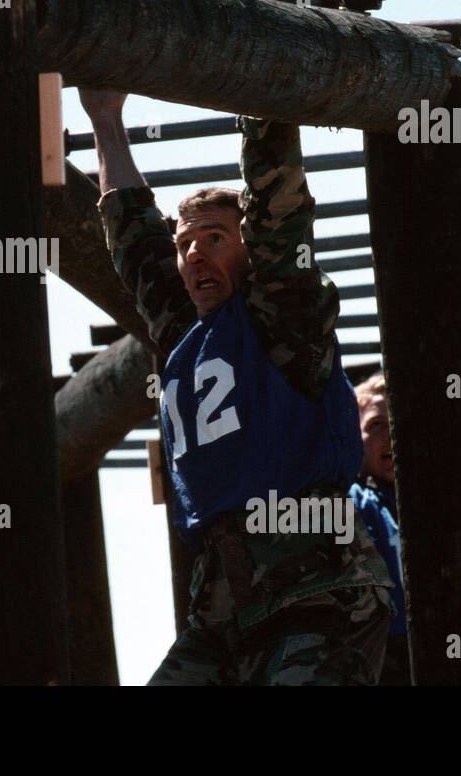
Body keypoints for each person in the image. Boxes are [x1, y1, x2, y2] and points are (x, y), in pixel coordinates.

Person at [80, 89, 394, 685]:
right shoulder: (187, 336)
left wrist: (255, 83)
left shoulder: (283, 315)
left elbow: (279, 206)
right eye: (186, 245)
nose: (195, 254)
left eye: (216, 239)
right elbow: (134, 239)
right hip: (225, 604)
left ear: (252, 251)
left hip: (319, 594)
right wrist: (105, 116)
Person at [348, 372, 408, 685]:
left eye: (396, 420)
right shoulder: (357, 500)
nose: (390, 434)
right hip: (384, 653)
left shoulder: (441, 495)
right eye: (376, 425)